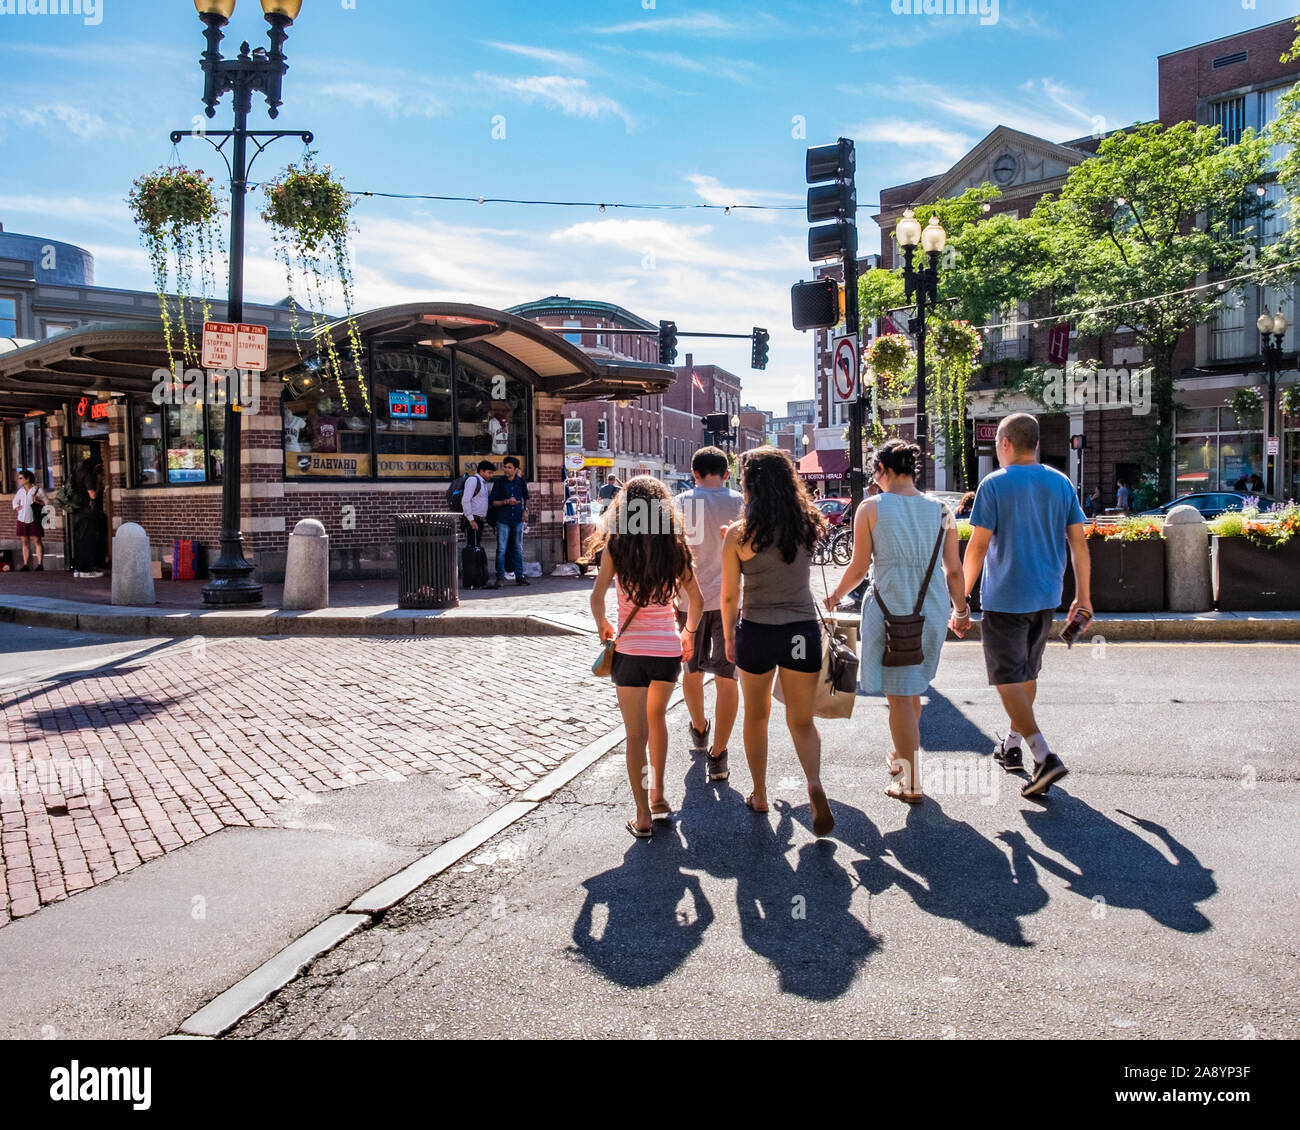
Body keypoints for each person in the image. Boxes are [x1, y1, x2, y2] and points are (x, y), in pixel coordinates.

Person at [824, 440, 969, 804]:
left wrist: (835, 595)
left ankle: (912, 780)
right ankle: (900, 755)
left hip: (890, 610)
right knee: (911, 689)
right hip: (931, 608)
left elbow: (858, 568)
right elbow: (953, 570)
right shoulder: (941, 510)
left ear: (884, 470)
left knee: (901, 697)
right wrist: (962, 610)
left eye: (875, 473)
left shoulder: (871, 508)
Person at [962, 413, 1091, 798]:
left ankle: (1043, 754)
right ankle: (1013, 745)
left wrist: (960, 600)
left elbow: (979, 546)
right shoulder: (1061, 482)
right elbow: (1079, 545)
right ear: (1035, 444)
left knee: (1006, 679)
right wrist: (1082, 596)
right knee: (1026, 674)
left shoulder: (995, 484)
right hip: (1047, 597)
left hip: (1005, 598)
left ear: (1004, 444)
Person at [720, 447, 835, 837]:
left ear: (749, 483)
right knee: (802, 721)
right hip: (800, 631)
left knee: (757, 715)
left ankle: (761, 793)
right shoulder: (807, 523)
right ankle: (814, 784)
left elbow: (730, 597)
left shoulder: (739, 534)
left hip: (756, 630)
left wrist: (727, 636)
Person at [589, 476, 704, 838]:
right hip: (667, 651)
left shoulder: (616, 547)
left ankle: (641, 815)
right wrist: (688, 634)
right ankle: (659, 796)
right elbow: (696, 602)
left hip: (630, 653)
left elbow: (596, 597)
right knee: (658, 722)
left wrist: (603, 625)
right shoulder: (675, 548)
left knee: (635, 734)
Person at [673, 446, 744, 782]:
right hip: (731, 599)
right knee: (727, 678)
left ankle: (699, 728)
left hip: (690, 600)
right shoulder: (740, 503)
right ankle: (719, 752)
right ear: (727, 473)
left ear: (694, 473)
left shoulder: (681, 503)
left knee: (692, 671)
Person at [488, 455, 530, 588]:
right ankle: (500, 577)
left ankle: (519, 576)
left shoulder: (521, 481)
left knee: (518, 548)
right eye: (505, 467)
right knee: (501, 549)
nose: (506, 469)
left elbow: (526, 497)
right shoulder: (499, 482)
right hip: (503, 519)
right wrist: (506, 502)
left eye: (509, 467)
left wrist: (525, 510)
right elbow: (492, 502)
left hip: (517, 519)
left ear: (516, 469)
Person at [12, 470, 46, 571]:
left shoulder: (38, 490)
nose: (19, 480)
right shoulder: (20, 491)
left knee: (37, 540)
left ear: (28, 479)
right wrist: (16, 507)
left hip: (34, 519)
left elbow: (47, 504)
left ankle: (40, 564)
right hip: (21, 519)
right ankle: (26, 564)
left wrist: (39, 501)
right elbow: (14, 501)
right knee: (24, 541)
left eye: (21, 478)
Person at [460, 460, 494, 549]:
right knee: (472, 548)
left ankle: (474, 563)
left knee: (476, 547)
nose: (491, 475)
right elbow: (465, 501)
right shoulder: (473, 480)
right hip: (472, 520)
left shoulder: (483, 483)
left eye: (492, 473)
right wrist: (471, 520)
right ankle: (470, 563)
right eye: (489, 473)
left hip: (479, 520)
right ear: (481, 471)